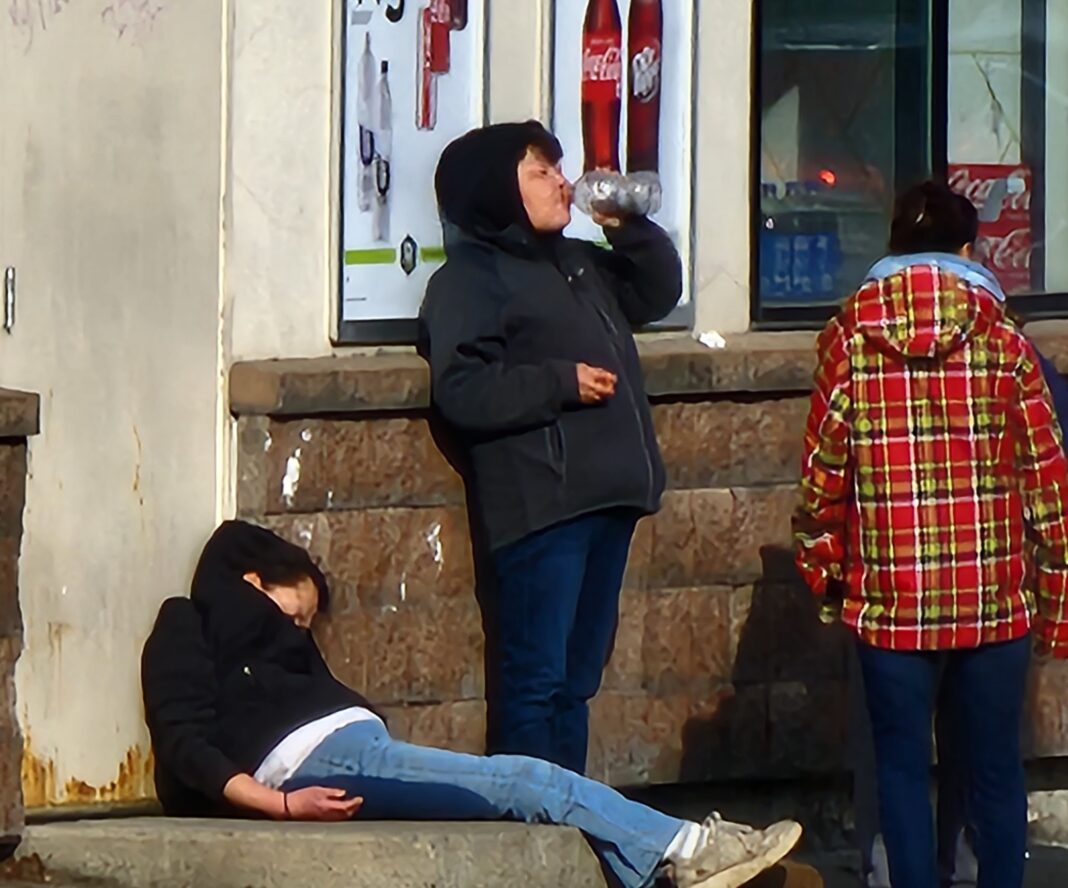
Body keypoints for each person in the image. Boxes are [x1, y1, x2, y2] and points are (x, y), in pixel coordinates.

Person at [141, 521, 802, 888]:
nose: (302, 629)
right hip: (308, 762)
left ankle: (665, 861)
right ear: (254, 579)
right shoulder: (189, 621)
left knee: (518, 786)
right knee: (526, 778)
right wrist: (280, 804)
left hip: (349, 749)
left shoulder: (274, 642)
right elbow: (183, 736)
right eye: (298, 609)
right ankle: (689, 850)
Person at [794, 178, 1068, 888]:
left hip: (891, 600)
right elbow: (1047, 477)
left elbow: (823, 473)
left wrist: (824, 574)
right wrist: (1056, 596)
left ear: (892, 247)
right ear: (970, 248)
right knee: (996, 772)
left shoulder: (848, 337)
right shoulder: (1005, 341)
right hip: (993, 597)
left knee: (900, 773)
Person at [419, 121, 681, 774]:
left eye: (559, 169)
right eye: (541, 172)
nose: (562, 183)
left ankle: (570, 831)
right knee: (536, 684)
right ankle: (527, 842)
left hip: (609, 496)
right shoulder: (471, 280)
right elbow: (464, 388)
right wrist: (560, 383)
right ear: (495, 191)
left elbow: (655, 291)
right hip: (543, 506)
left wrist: (626, 224)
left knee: (577, 684)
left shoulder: (576, 264)